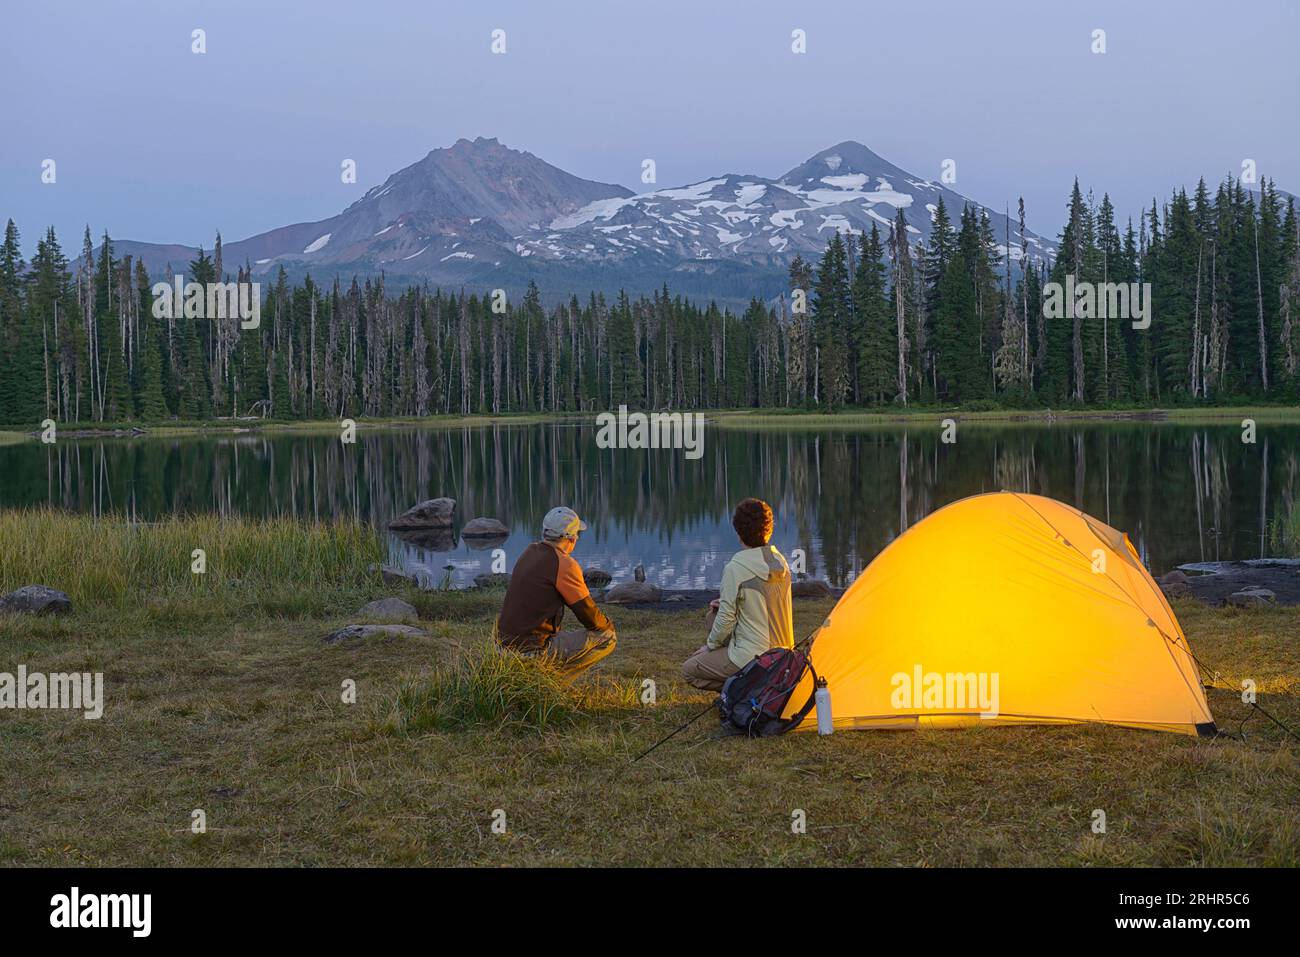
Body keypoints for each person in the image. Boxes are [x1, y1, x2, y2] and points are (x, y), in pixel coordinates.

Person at [681, 497, 793, 692]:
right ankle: (757, 688)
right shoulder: (780, 561)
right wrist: (726, 604)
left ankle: (743, 692)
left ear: (739, 532)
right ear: (768, 530)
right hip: (784, 656)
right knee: (712, 617)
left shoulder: (736, 567)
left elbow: (725, 620)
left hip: (754, 658)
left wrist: (709, 647)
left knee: (689, 669)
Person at [496, 506, 617, 679]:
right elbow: (589, 617)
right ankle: (551, 688)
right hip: (530, 651)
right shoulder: (564, 563)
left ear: (546, 532)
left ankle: (540, 683)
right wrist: (608, 624)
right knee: (607, 638)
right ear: (571, 538)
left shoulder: (529, 551)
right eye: (577, 534)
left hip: (502, 646)